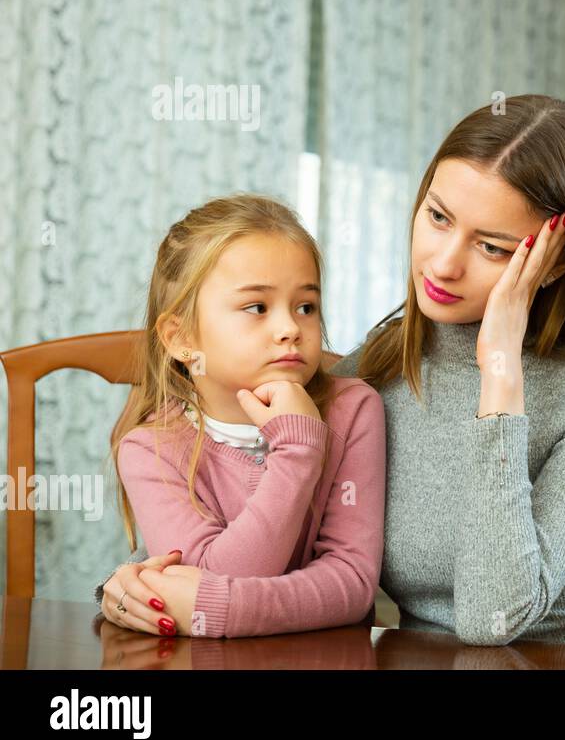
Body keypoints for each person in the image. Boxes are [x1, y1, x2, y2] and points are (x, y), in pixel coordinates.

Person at [99, 95, 565, 650]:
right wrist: (134, 589)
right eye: (438, 217)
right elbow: (221, 505)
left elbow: (494, 617)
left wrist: (499, 372)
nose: (443, 263)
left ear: (555, 259)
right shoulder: (378, 368)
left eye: (491, 246)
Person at [95, 194, 386, 638]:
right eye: (257, 308)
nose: (290, 328)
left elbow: (351, 583)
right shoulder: (150, 448)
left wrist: (224, 606)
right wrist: (298, 450)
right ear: (181, 338)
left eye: (305, 306)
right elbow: (218, 573)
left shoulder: (353, 410)